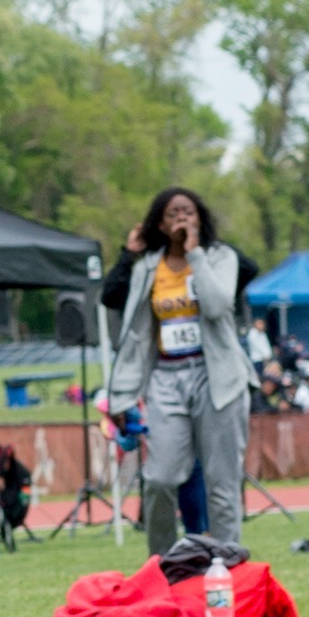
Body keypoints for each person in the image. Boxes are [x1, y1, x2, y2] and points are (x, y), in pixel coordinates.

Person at [101, 187, 252, 555]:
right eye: (172, 214)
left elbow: (217, 307)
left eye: (188, 211)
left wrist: (195, 253)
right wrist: (121, 396)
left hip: (217, 378)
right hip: (166, 377)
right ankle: (163, 566)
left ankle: (229, 567)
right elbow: (122, 317)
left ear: (200, 218)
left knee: (222, 484)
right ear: (160, 224)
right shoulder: (147, 269)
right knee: (159, 478)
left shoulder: (220, 258)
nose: (181, 218)